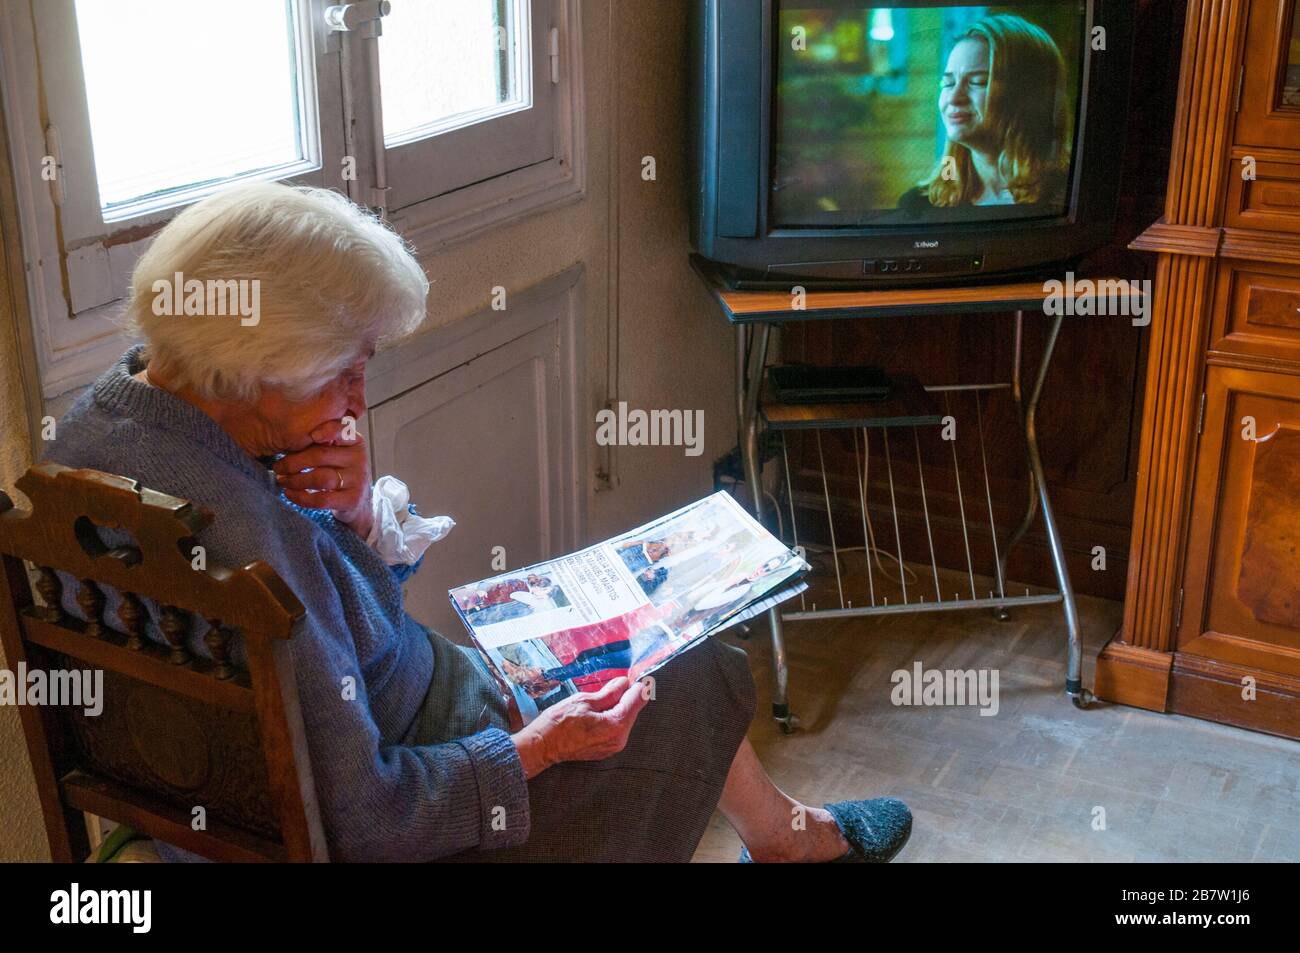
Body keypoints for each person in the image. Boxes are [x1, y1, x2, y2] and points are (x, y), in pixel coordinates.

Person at [42, 181, 911, 863]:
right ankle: (793, 838)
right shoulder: (243, 546)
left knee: (643, 649)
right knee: (685, 671)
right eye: (345, 371)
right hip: (418, 797)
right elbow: (369, 819)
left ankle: (785, 834)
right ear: (259, 365)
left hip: (277, 779)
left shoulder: (108, 420)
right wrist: (535, 748)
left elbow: (324, 644)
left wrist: (349, 516)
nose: (357, 399)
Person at [898, 14, 1070, 216]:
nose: (954, 98)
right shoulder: (920, 205)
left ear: (1029, 94)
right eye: (948, 83)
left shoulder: (1067, 195)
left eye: (978, 82)